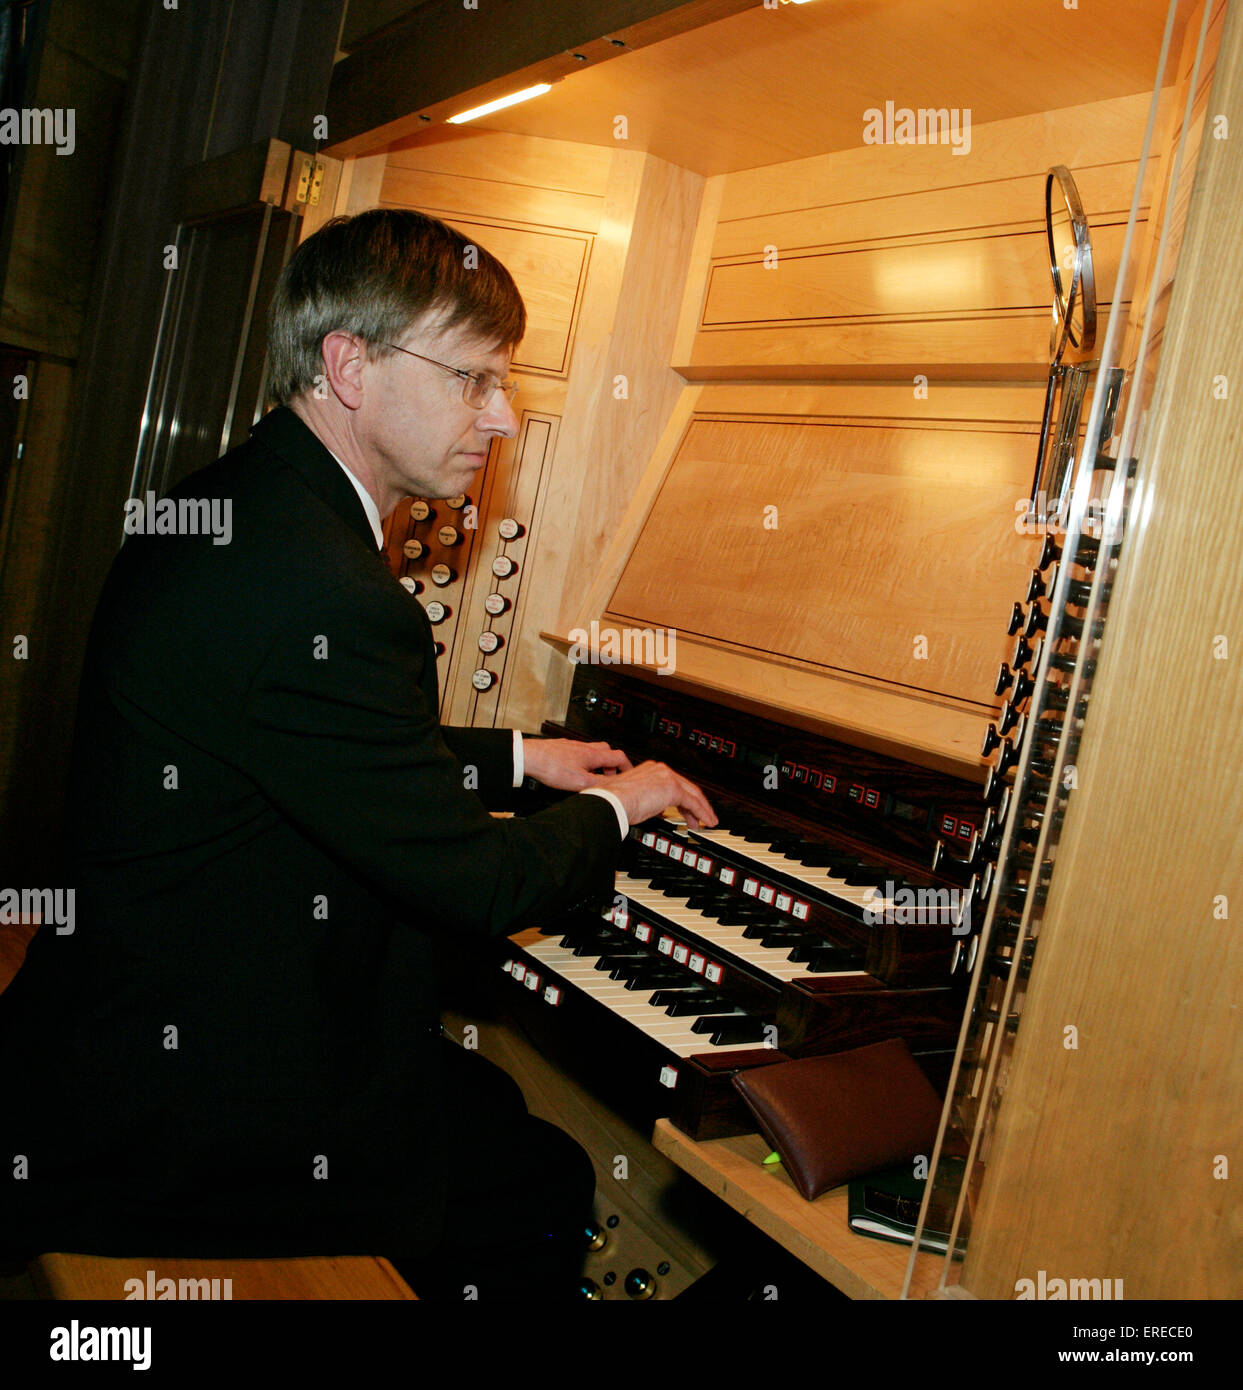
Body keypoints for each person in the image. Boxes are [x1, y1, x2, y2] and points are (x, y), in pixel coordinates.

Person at [0, 208, 713, 1299]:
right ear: (349, 365)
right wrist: (632, 802)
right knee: (542, 1179)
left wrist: (524, 758)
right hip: (169, 1108)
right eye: (474, 379)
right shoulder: (326, 586)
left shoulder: (237, 503)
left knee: (484, 1106)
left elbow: (318, 744)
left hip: (135, 1009)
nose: (505, 418)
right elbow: (476, 885)